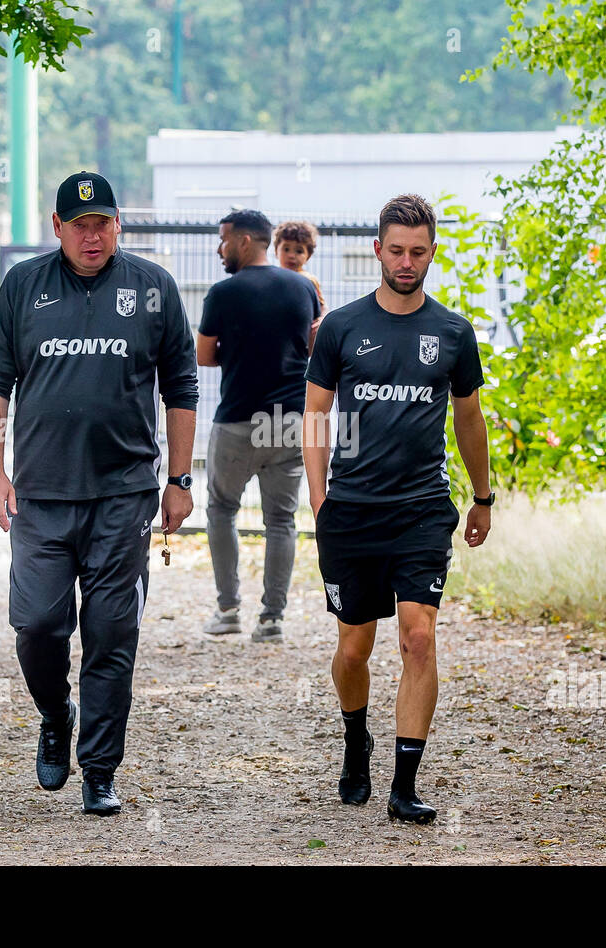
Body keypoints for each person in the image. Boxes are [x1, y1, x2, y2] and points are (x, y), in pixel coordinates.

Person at [0, 170, 198, 816]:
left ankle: (100, 770)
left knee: (110, 631)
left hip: (123, 497)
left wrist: (178, 481)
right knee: (38, 625)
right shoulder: (23, 288)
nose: (92, 235)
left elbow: (180, 386)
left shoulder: (152, 289)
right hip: (40, 498)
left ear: (118, 224)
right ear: (57, 229)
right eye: (79, 225)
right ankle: (55, 712)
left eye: (102, 222)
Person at [303, 193, 493, 824]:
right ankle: (356, 740)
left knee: (418, 638)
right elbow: (314, 415)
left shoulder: (452, 333)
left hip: (421, 510)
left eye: (418, 251)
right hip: (352, 513)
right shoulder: (341, 328)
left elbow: (468, 417)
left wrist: (482, 495)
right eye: (397, 249)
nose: (406, 261)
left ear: (432, 253)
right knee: (354, 650)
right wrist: (319, 496)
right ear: (378, 250)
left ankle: (404, 783)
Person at [196, 209, 321, 643]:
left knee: (221, 509)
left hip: (236, 419)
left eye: (224, 240)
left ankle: (228, 609)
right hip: (290, 419)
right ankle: (272, 620)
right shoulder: (304, 287)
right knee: (282, 520)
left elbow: (204, 355)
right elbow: (313, 346)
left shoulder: (222, 293)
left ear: (246, 242)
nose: (219, 248)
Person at [274, 220, 327, 315]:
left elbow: (322, 306)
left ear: (308, 256)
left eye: (299, 251)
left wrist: (322, 318)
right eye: (286, 249)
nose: (291, 255)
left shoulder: (309, 280)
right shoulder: (272, 278)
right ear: (276, 251)